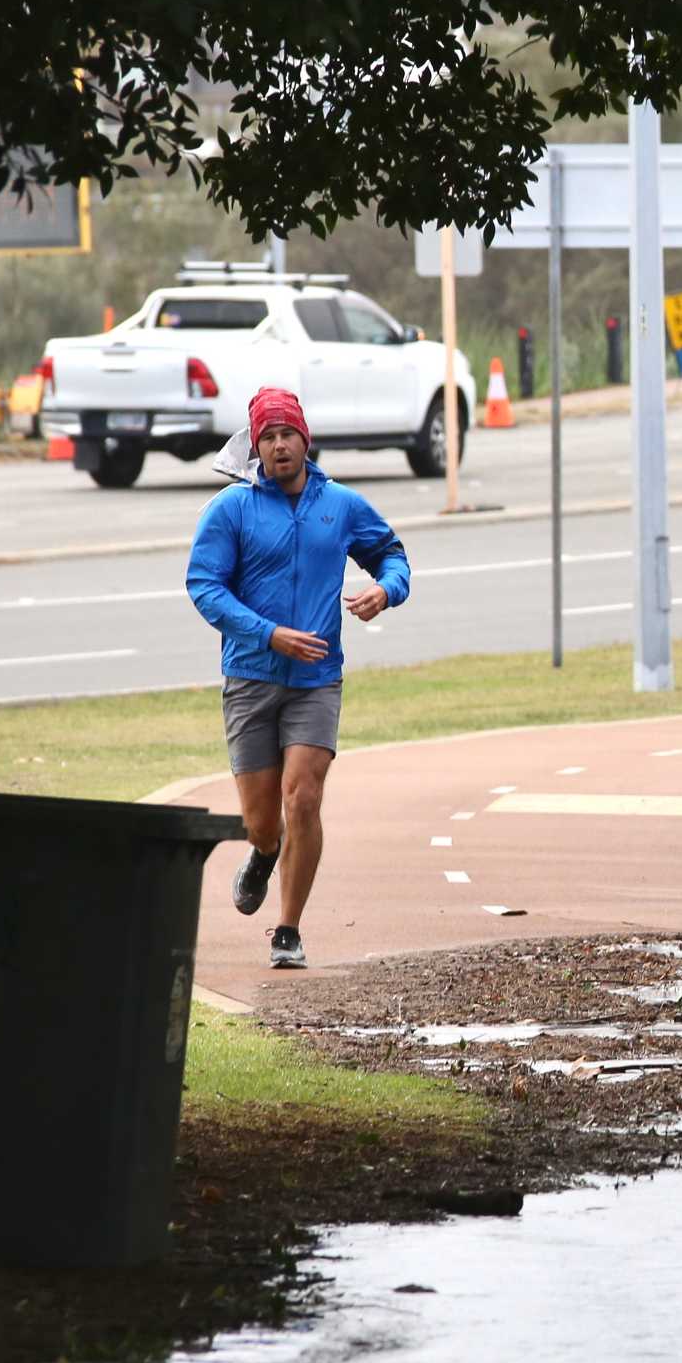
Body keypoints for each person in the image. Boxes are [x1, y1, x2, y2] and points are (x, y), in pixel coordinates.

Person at [185, 386, 411, 970]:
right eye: (268, 437)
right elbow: (204, 587)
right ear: (255, 447)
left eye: (288, 434)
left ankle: (288, 929)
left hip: (317, 678)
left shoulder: (341, 505)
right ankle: (263, 853)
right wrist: (267, 633)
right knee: (264, 820)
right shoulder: (230, 509)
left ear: (305, 441)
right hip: (250, 678)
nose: (280, 445)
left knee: (303, 797)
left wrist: (385, 590)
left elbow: (392, 554)